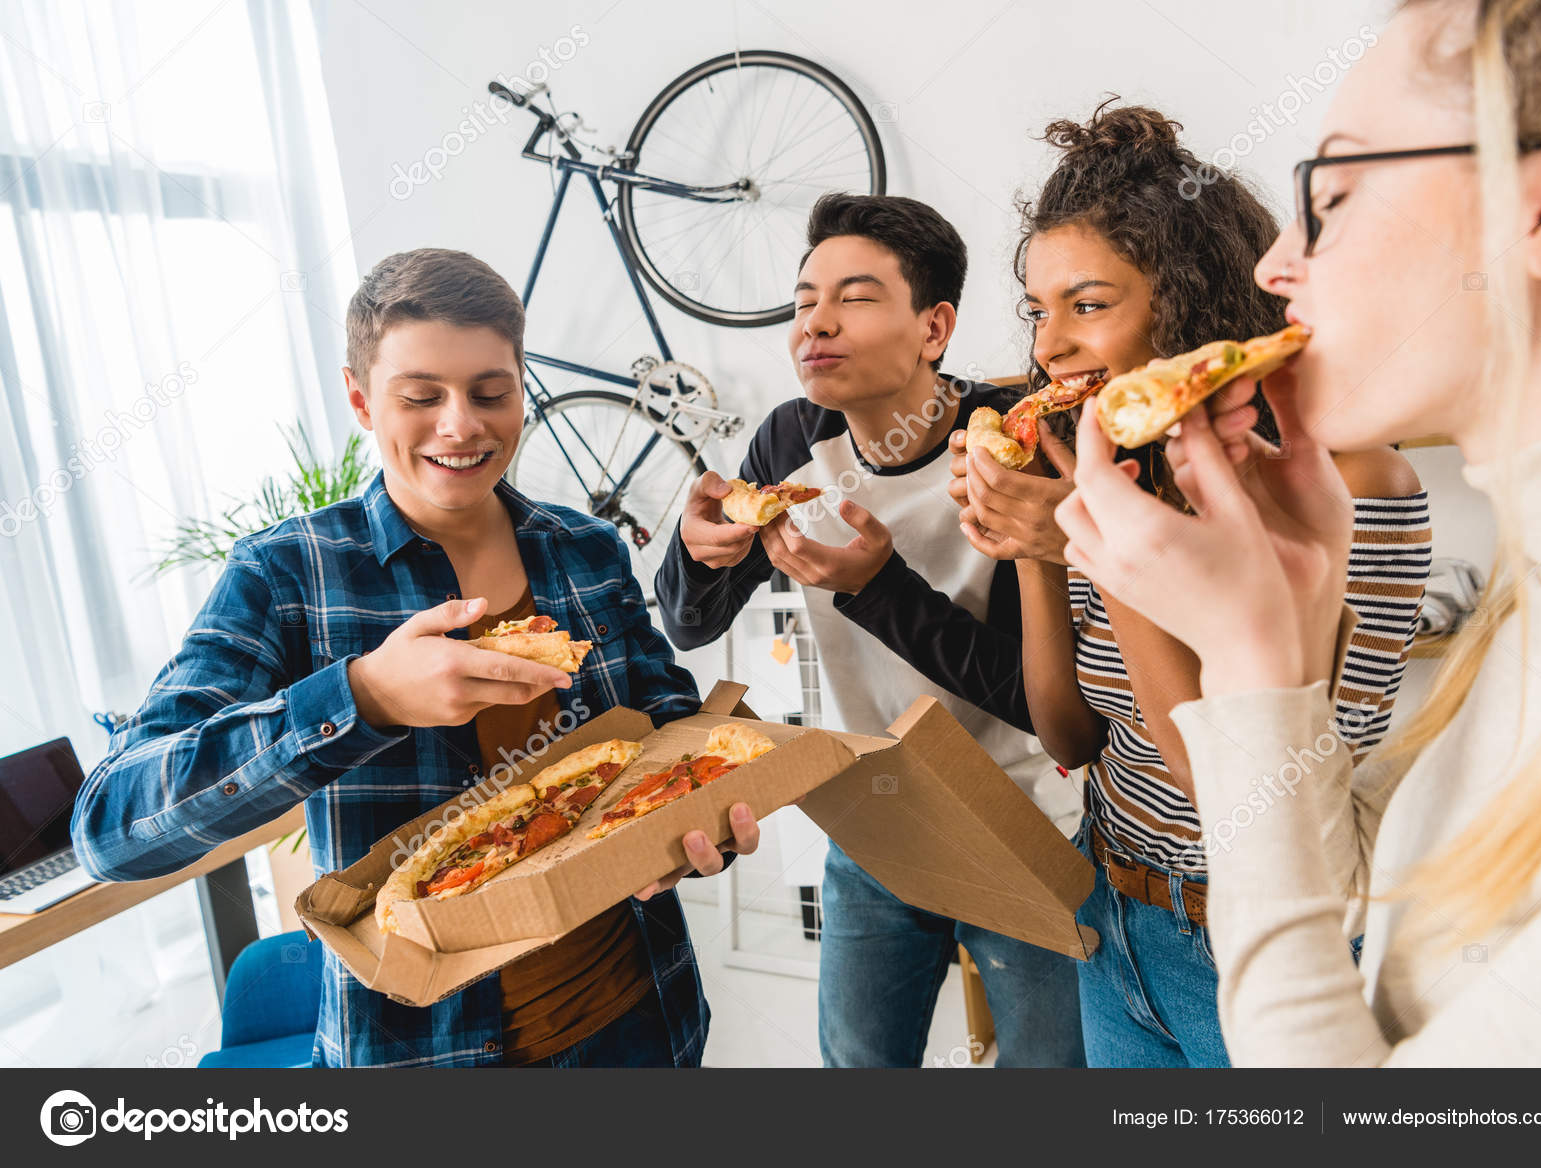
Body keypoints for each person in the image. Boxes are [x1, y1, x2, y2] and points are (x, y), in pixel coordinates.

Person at [1055, 0, 1541, 1065]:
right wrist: (1292, 637)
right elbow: (1366, 902)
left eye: (1334, 194)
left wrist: (1252, 669)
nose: (1276, 266)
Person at [71, 248, 758, 1067]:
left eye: (490, 393)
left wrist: (695, 821)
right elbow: (113, 830)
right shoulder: (289, 575)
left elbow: (667, 722)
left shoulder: (586, 548)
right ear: (362, 398)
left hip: (642, 1018)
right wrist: (363, 698)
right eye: (421, 396)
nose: (461, 424)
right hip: (423, 1052)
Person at [947, 103, 1431, 1066]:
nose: (1048, 348)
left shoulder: (1352, 484)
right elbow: (1071, 737)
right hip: (1112, 918)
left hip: (1259, 946)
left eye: (1088, 305)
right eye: (1039, 311)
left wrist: (1086, 536)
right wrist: (1039, 549)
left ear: (1190, 306)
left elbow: (1229, 791)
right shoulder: (1115, 480)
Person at [655, 194, 1086, 1067]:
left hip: (1032, 816)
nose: (816, 322)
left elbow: (1042, 700)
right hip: (879, 820)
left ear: (935, 327)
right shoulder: (792, 440)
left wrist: (879, 587)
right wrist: (697, 552)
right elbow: (690, 625)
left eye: (853, 297)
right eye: (805, 299)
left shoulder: (1011, 437)